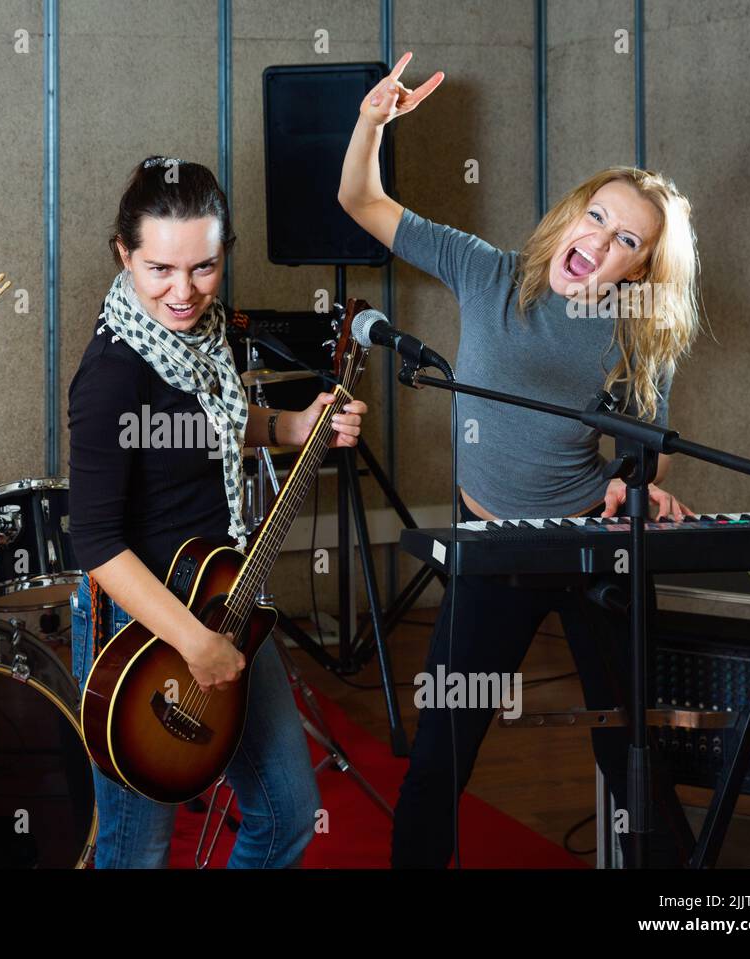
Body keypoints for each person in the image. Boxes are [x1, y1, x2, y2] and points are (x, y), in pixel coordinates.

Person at [338, 53, 701, 867]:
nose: (602, 241)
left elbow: (645, 453)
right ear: (572, 214)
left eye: (628, 240)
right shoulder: (486, 271)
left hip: (589, 548)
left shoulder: (638, 333)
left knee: (630, 751)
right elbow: (360, 200)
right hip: (492, 548)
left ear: (640, 268)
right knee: (441, 752)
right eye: (597, 218)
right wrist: (372, 123)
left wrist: (631, 485)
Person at [67, 156, 368, 868]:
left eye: (203, 267)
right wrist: (195, 645)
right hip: (142, 625)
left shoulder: (202, 338)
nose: (183, 291)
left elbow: (212, 423)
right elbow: (97, 542)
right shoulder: (112, 372)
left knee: (288, 813)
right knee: (136, 849)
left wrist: (293, 425)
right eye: (161, 269)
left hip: (222, 598)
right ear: (124, 253)